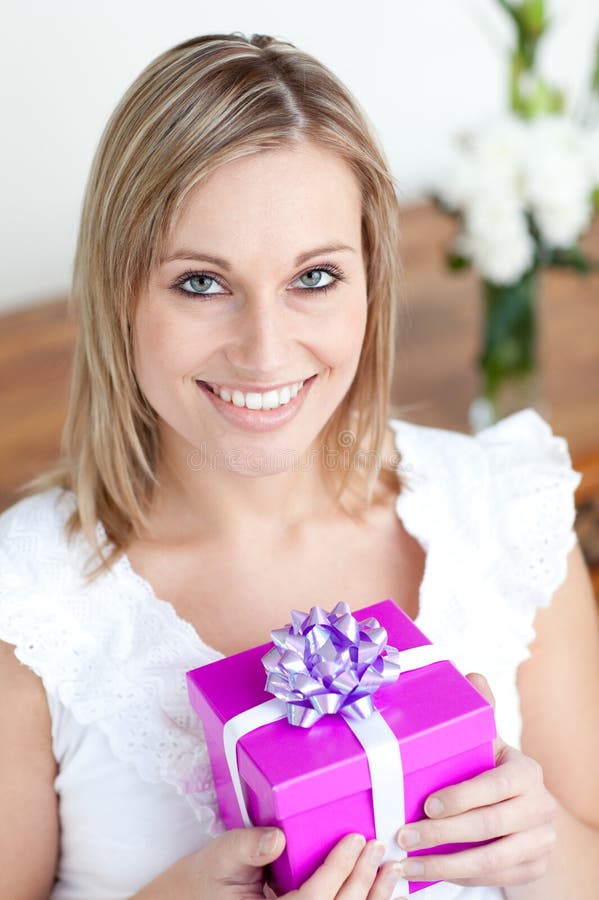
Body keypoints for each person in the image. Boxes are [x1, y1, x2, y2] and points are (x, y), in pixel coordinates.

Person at [0, 31, 598, 900]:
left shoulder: (507, 518)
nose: (264, 350)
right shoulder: (27, 604)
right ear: (115, 290)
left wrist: (543, 849)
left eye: (313, 277)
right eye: (201, 282)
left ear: (370, 284)